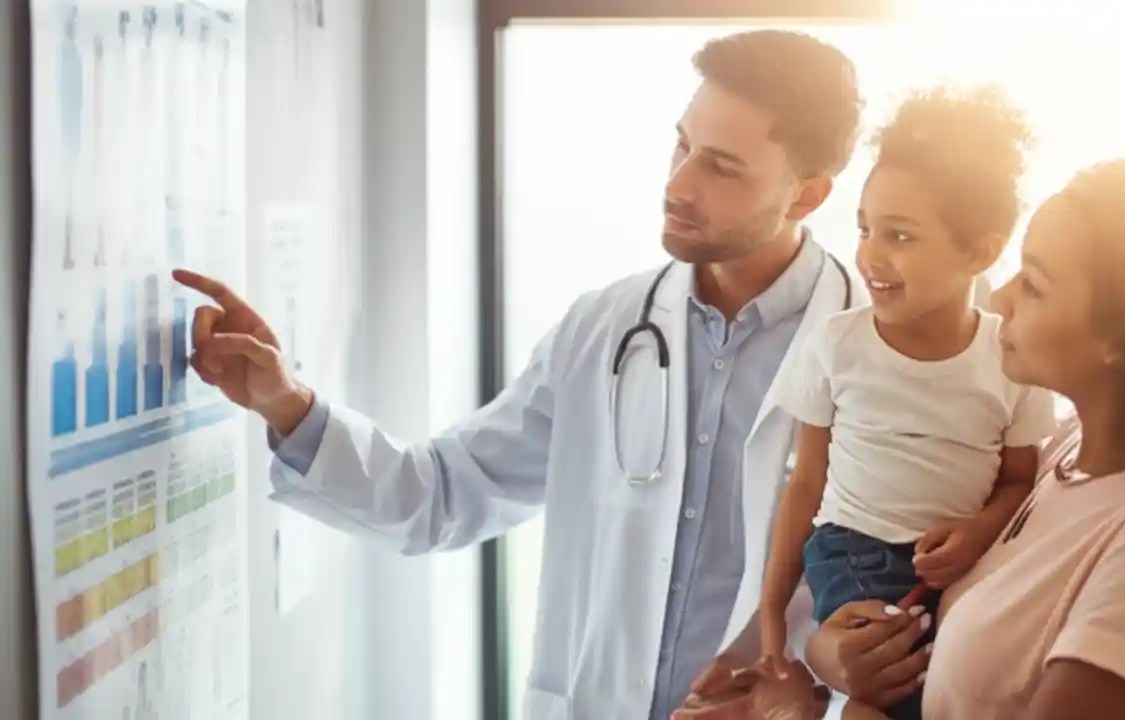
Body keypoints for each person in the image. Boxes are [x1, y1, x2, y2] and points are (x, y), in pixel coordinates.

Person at [175, 30, 864, 719]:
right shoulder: (602, 329)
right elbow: (441, 494)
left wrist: (809, 693)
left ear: (806, 196)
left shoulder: (873, 359)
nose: (678, 184)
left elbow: (908, 608)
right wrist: (287, 403)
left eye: (722, 167)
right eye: (682, 145)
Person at [791, 159, 1125, 719]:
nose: (1000, 299)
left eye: (1036, 285)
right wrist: (827, 656)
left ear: (1120, 336)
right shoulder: (1067, 456)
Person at [754, 86, 1057, 720]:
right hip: (853, 550)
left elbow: (1020, 484)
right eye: (865, 228)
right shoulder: (837, 344)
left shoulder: (1011, 358)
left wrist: (976, 533)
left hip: (960, 567)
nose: (870, 255)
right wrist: (772, 622)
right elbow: (805, 486)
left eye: (900, 235)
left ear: (979, 252)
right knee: (893, 695)